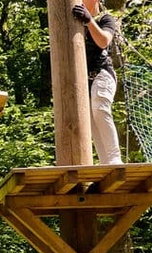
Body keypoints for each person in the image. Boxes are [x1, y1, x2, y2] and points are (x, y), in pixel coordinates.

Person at [73, 0, 123, 165]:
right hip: (84, 81)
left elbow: (103, 41)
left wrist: (89, 20)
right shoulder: (74, 22)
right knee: (92, 122)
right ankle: (105, 163)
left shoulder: (105, 19)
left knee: (99, 107)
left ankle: (115, 159)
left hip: (103, 74)